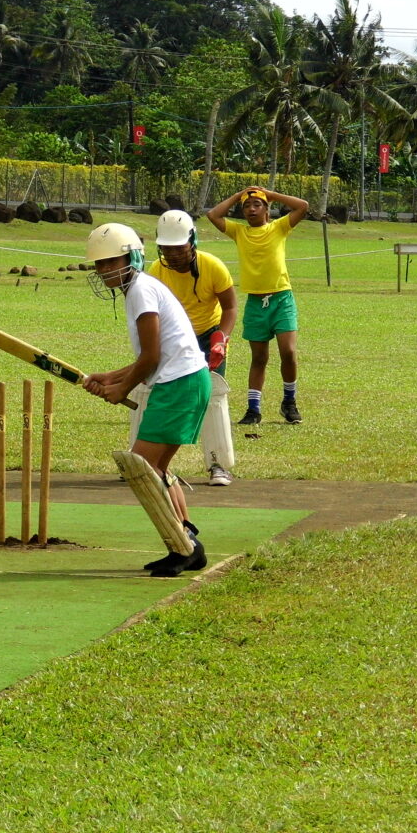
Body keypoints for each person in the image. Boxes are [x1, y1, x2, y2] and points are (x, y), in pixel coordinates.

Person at [82, 222, 212, 577]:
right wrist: (111, 377)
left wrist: (121, 390)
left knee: (141, 467)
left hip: (181, 384)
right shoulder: (140, 288)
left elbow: (152, 358)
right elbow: (152, 357)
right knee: (155, 469)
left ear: (132, 257)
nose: (106, 270)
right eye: (100, 264)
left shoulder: (140, 290)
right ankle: (186, 544)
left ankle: (182, 546)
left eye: (112, 261)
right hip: (184, 381)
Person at [127, 210, 238, 486]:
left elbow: (231, 307)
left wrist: (221, 339)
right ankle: (139, 462)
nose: (173, 254)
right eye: (166, 248)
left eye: (178, 248)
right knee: (150, 394)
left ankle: (218, 465)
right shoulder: (155, 271)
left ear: (193, 241)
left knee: (212, 396)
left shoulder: (213, 266)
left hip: (207, 336)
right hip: (173, 341)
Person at [206, 185, 309, 425]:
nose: (251, 209)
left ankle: (289, 402)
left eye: (257, 205)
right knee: (259, 358)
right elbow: (213, 215)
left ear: (266, 210)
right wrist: (237, 194)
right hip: (255, 302)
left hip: (281, 298)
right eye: (246, 206)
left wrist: (271, 195)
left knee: (289, 352)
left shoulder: (278, 227)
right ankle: (253, 409)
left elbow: (302, 206)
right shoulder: (239, 232)